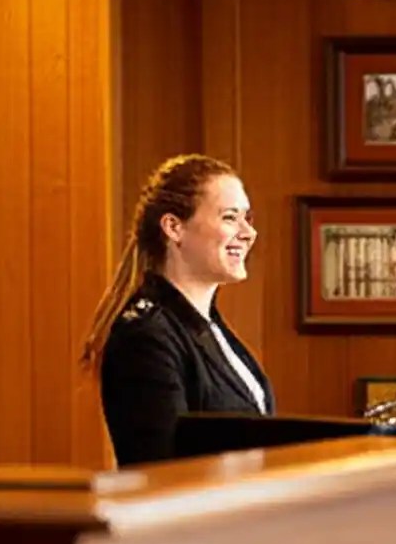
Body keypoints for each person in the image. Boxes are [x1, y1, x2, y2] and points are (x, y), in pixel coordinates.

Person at [80, 154, 272, 467]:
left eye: (246, 218)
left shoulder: (210, 328)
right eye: (229, 217)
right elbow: (162, 468)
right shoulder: (145, 336)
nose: (248, 233)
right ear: (174, 227)